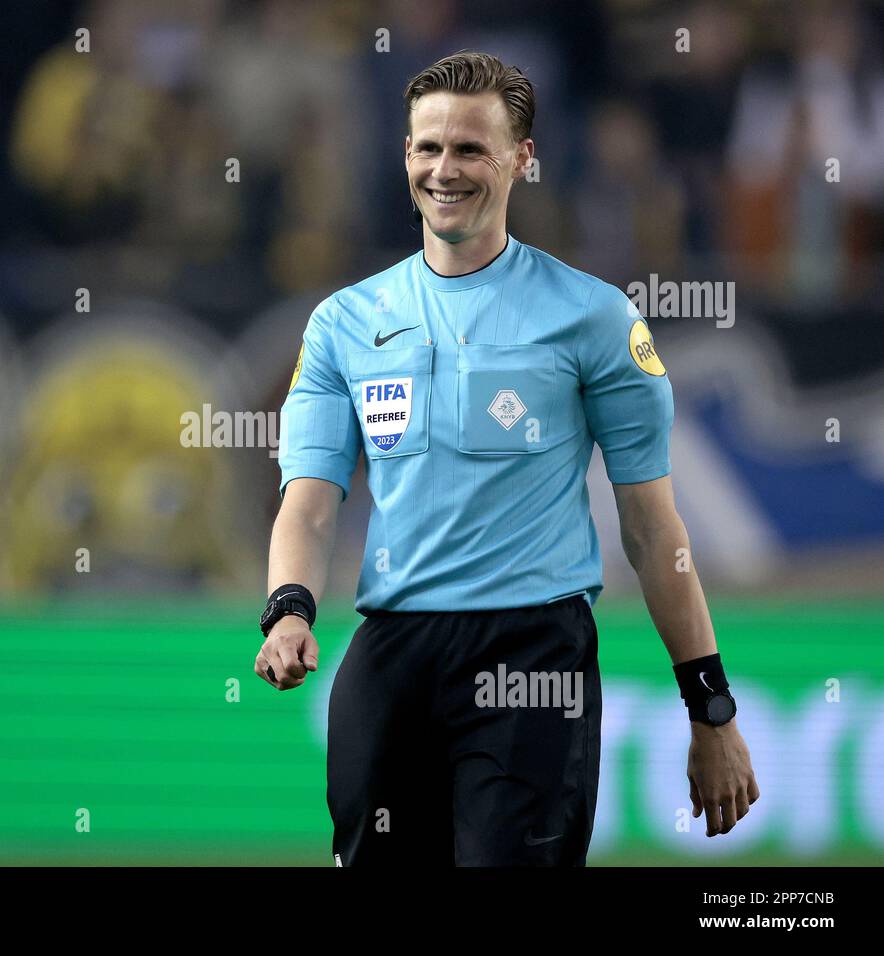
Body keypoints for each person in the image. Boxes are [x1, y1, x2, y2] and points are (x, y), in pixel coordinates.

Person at [254, 51, 760, 866]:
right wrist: (289, 608)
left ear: (523, 159)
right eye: (426, 148)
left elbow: (651, 528)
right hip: (390, 661)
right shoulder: (343, 323)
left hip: (533, 662)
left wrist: (710, 707)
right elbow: (311, 502)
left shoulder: (594, 319)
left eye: (469, 149)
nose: (443, 170)